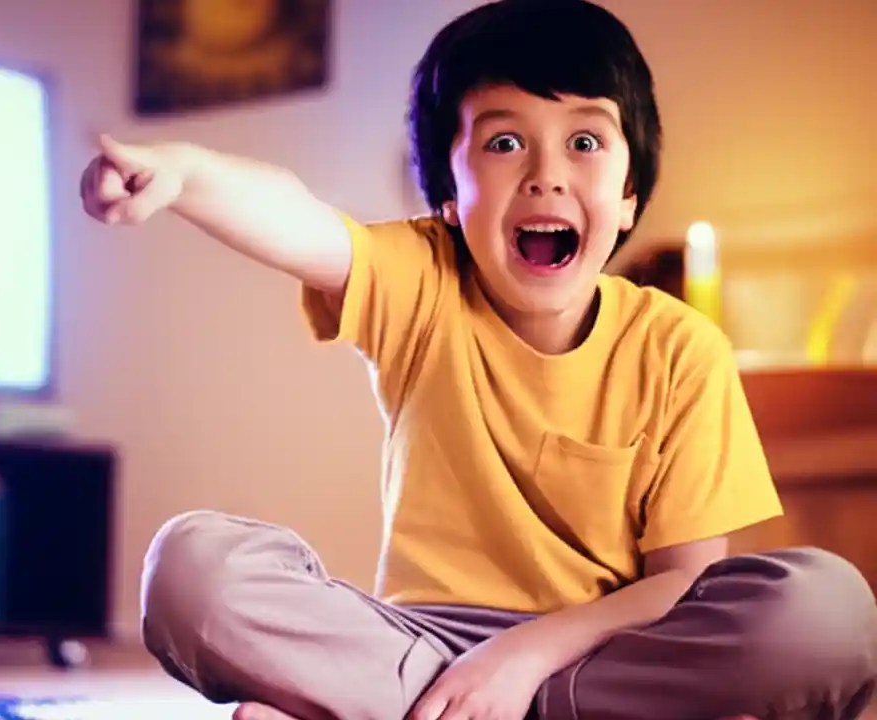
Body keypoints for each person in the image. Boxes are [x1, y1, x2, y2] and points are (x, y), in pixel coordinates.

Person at [79, 1, 877, 718]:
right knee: (190, 568)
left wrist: (523, 658)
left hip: (601, 653)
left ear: (629, 193)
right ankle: (433, 700)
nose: (546, 175)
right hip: (416, 642)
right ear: (450, 200)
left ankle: (390, 710)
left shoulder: (681, 348)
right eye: (503, 141)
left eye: (587, 142)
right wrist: (183, 174)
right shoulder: (423, 281)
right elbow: (296, 216)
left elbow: (683, 583)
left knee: (829, 610)